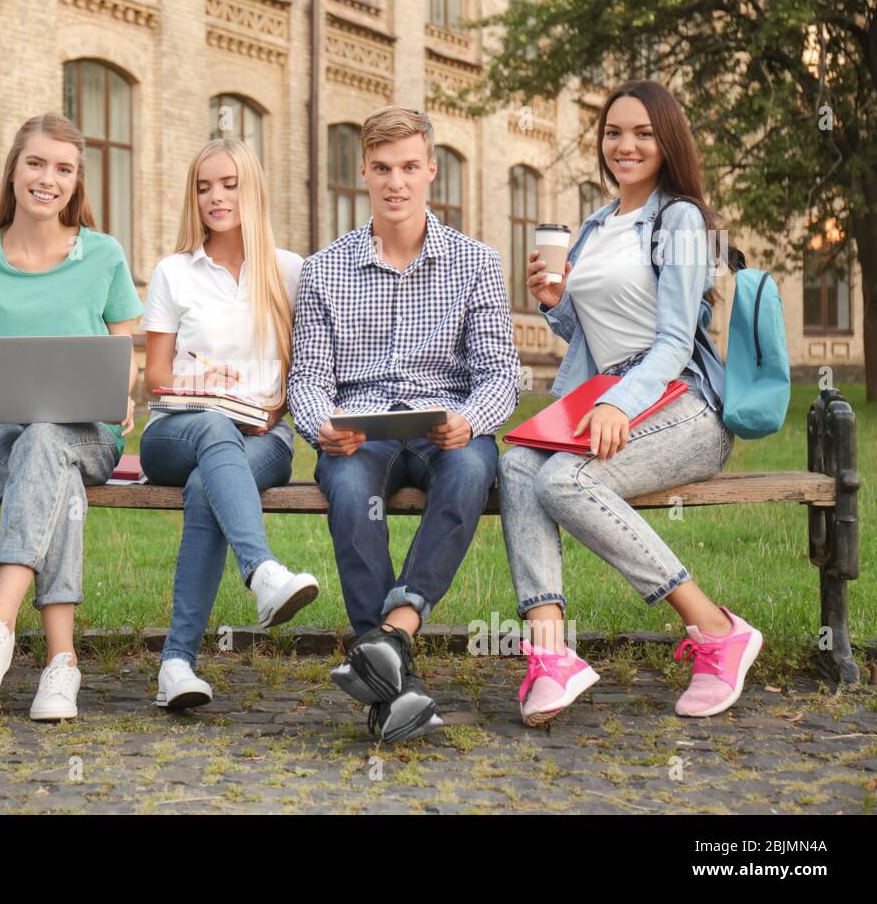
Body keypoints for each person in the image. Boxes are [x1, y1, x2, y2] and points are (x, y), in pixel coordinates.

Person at [499, 79, 762, 726]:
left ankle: (716, 630)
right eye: (614, 132)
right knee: (516, 468)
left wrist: (621, 402)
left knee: (564, 480)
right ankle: (552, 655)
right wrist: (555, 304)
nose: (626, 144)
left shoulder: (681, 220)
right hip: (603, 396)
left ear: (667, 140)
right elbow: (589, 334)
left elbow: (674, 340)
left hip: (683, 406)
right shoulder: (593, 226)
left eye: (643, 132)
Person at [288, 107, 521, 743]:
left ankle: (391, 638)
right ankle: (393, 670)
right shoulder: (324, 269)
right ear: (364, 170)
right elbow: (307, 376)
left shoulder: (474, 263)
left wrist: (470, 419)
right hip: (361, 432)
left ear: (431, 172)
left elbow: (502, 372)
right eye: (383, 168)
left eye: (410, 168)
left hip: (446, 427)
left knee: (473, 468)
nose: (397, 182)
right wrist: (320, 426)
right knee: (345, 483)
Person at [0, 114, 143, 721]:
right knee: (52, 469)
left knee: (51, 435)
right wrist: (1, 401)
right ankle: (61, 665)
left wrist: (119, 390)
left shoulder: (104, 255)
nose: (48, 179)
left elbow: (126, 354)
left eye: (64, 169)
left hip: (89, 435)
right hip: (0, 440)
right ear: (14, 170)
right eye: (36, 163)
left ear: (76, 183)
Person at [140, 138, 319, 710]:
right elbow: (156, 377)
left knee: (205, 486)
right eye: (203, 186)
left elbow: (307, 367)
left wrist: (275, 403)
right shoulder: (175, 271)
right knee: (213, 429)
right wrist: (207, 390)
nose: (215, 197)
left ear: (253, 189)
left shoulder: (291, 271)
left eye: (228, 183)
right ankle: (263, 572)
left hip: (264, 437)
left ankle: (176, 665)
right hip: (176, 431)